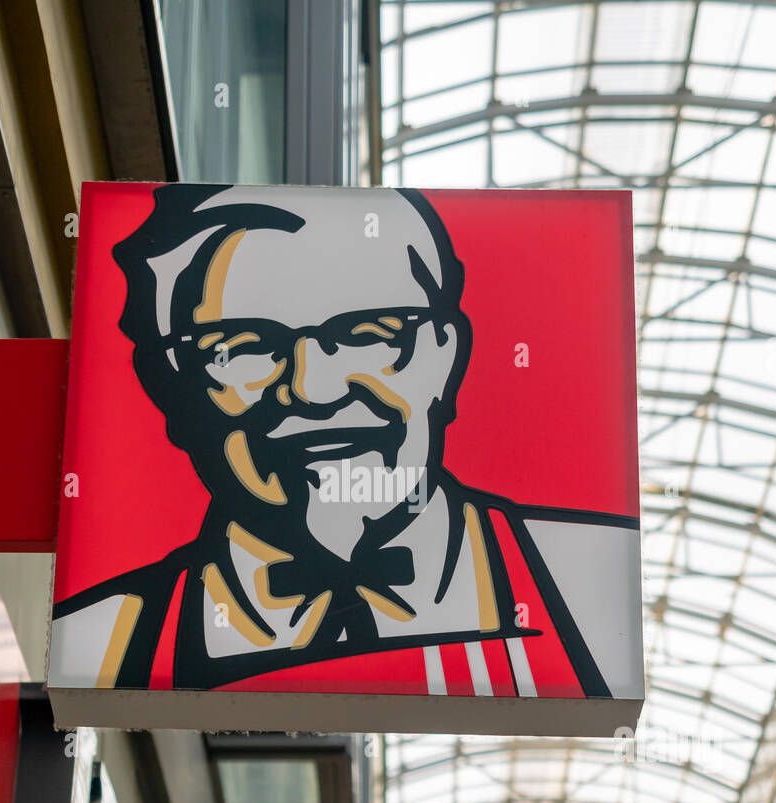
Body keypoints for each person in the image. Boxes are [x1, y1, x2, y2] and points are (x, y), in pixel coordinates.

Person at [49, 184, 641, 699]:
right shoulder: (103, 640)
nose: (315, 389)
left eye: (368, 333)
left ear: (445, 357)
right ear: (170, 391)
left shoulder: (589, 589)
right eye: (243, 346)